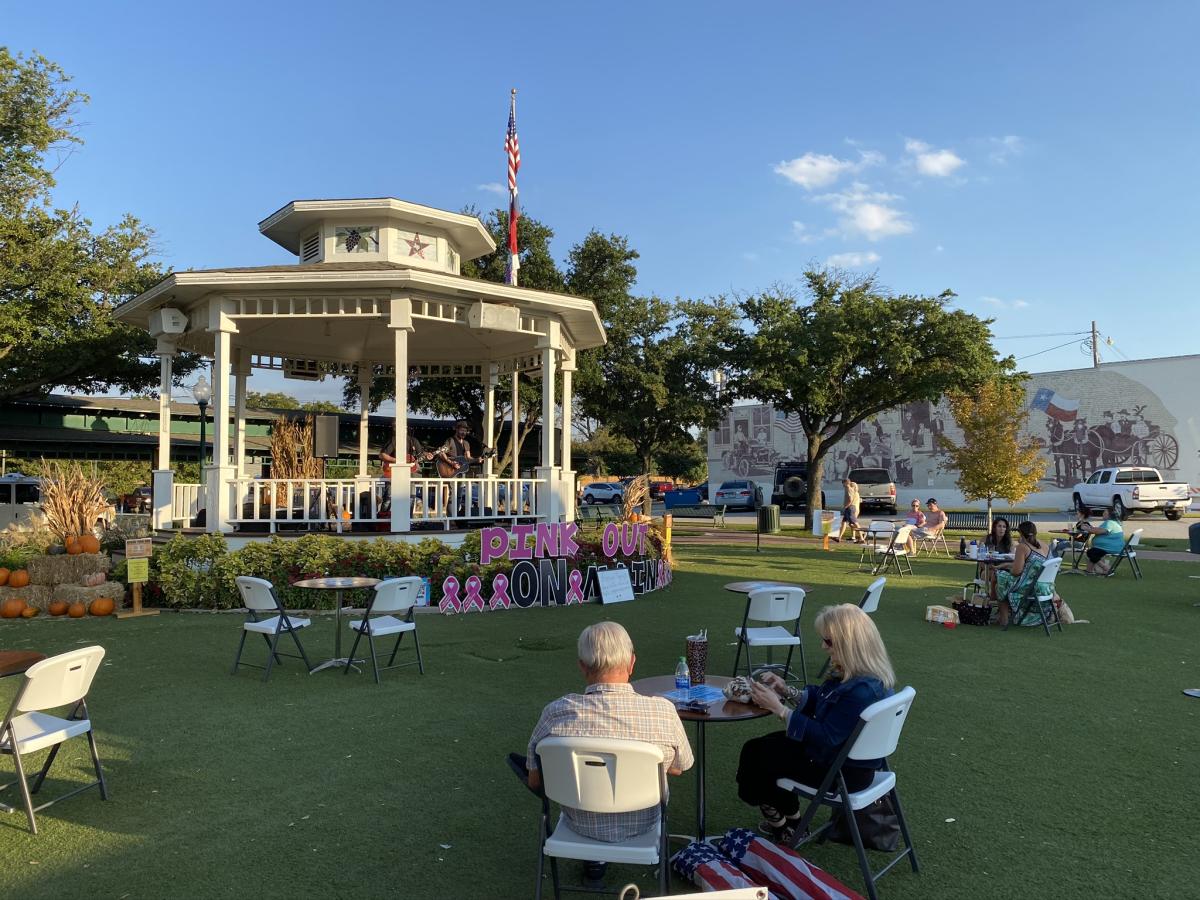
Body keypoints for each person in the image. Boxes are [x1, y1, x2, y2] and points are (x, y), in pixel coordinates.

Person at [523, 622, 693, 881]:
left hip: (579, 823)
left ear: (582, 666)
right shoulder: (663, 713)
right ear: (632, 662)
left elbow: (535, 781)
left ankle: (594, 858)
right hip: (643, 822)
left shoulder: (556, 713)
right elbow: (679, 767)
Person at [736, 604, 895, 840]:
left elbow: (826, 736)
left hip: (840, 773)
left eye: (828, 641)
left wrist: (780, 709)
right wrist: (786, 690)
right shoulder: (869, 677)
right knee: (761, 747)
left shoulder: (860, 690)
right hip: (854, 767)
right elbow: (826, 702)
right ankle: (793, 822)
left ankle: (785, 827)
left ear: (849, 643)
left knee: (757, 757)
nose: (823, 646)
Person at [992, 521, 1052, 626]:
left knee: (1000, 577)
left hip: (1029, 588)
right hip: (1045, 588)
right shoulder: (1045, 545)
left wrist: (1006, 569)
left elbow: (1016, 572)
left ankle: (1004, 619)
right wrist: (1006, 565)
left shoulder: (1023, 547)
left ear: (1021, 533)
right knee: (1002, 576)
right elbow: (1031, 567)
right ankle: (1002, 612)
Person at [1083, 507, 1126, 575]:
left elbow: (1100, 531)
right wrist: (1090, 528)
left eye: (1104, 513)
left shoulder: (1110, 523)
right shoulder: (1112, 523)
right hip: (1111, 546)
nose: (1103, 514)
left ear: (1109, 515)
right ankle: (1089, 571)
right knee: (1094, 552)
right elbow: (1099, 529)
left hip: (1111, 547)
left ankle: (1107, 568)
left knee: (1091, 552)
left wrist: (1087, 529)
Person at [835, 479, 864, 543]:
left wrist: (846, 506)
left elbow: (851, 500)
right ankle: (839, 537)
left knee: (854, 523)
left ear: (846, 483)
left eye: (843, 483)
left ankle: (862, 537)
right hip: (850, 508)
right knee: (844, 522)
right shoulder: (850, 490)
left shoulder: (849, 489)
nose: (842, 485)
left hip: (850, 508)